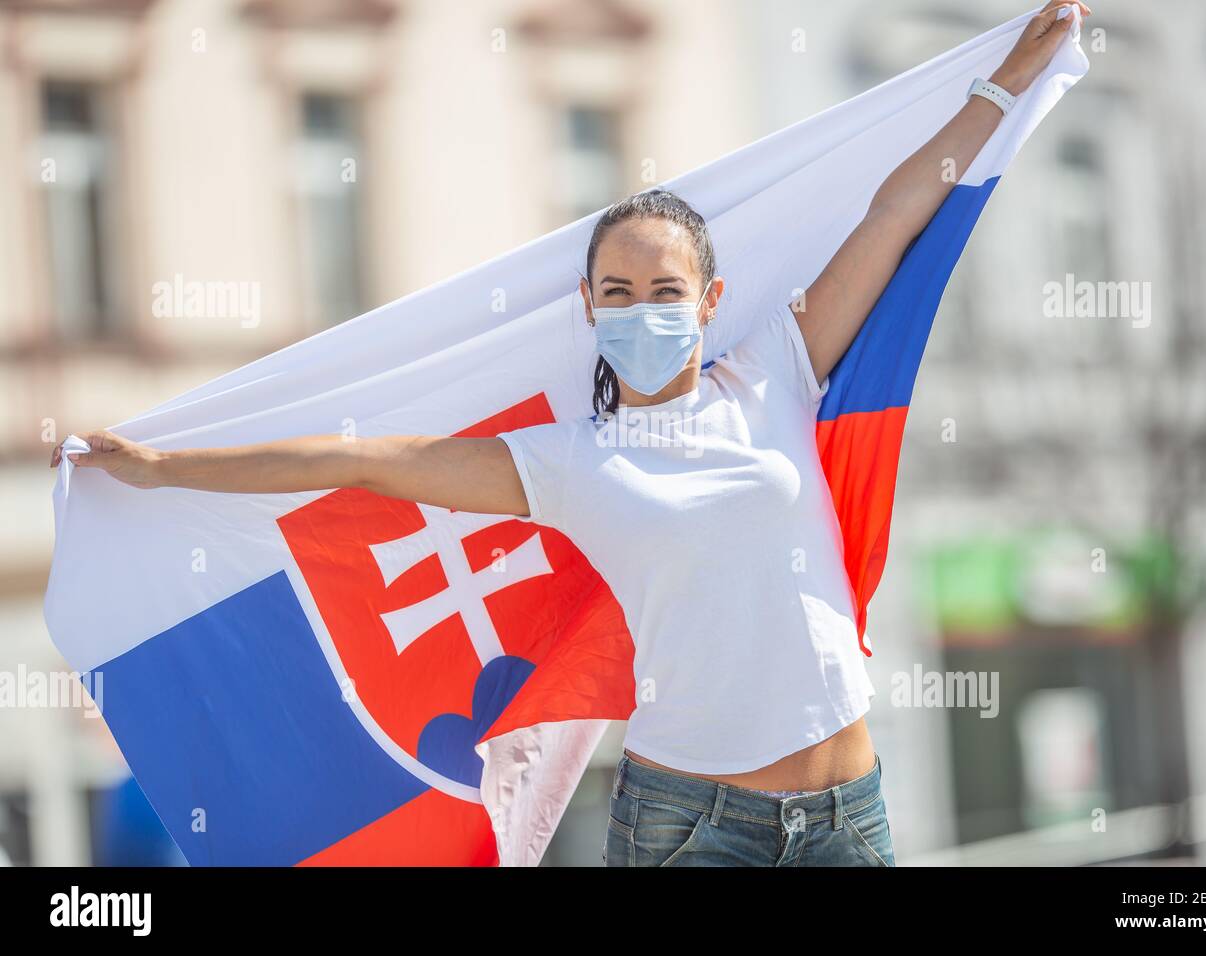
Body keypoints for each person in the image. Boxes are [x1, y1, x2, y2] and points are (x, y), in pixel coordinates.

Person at [51, 2, 1090, 867]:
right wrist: (160, 468)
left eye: (666, 289)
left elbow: (896, 209)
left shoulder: (775, 367)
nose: (644, 309)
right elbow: (359, 457)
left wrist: (1008, 78)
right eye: (619, 291)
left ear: (710, 297)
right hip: (690, 824)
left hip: (847, 811)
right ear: (590, 309)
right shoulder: (569, 460)